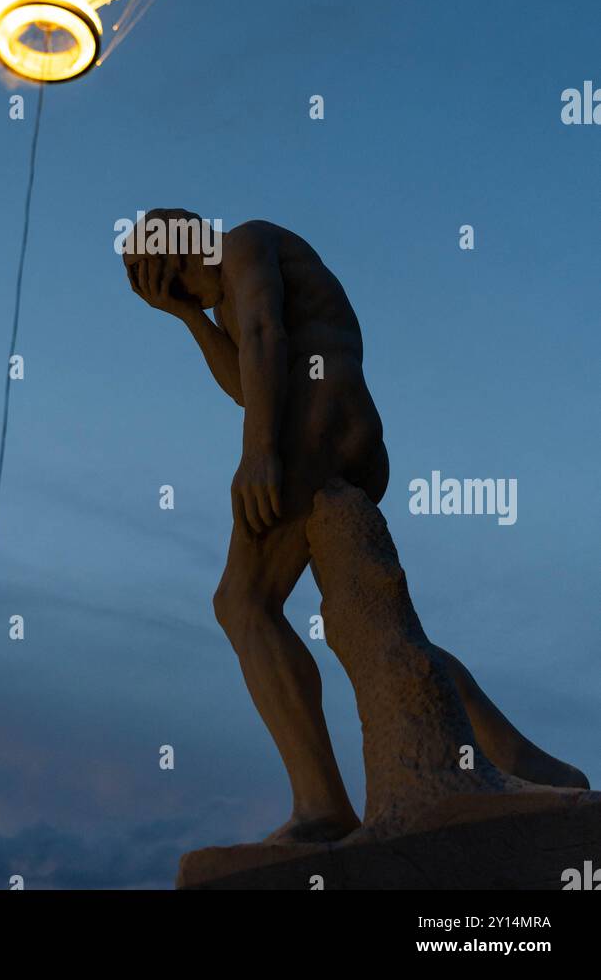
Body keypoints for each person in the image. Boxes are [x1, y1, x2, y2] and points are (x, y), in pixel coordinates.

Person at [124, 209, 588, 842]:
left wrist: (260, 452)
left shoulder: (242, 243)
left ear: (180, 245)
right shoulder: (226, 290)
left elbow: (266, 340)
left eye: (168, 276)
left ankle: (322, 808)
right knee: (369, 623)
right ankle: (527, 761)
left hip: (318, 421)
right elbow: (244, 381)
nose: (176, 290)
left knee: (243, 603)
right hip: (346, 429)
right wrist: (189, 318)